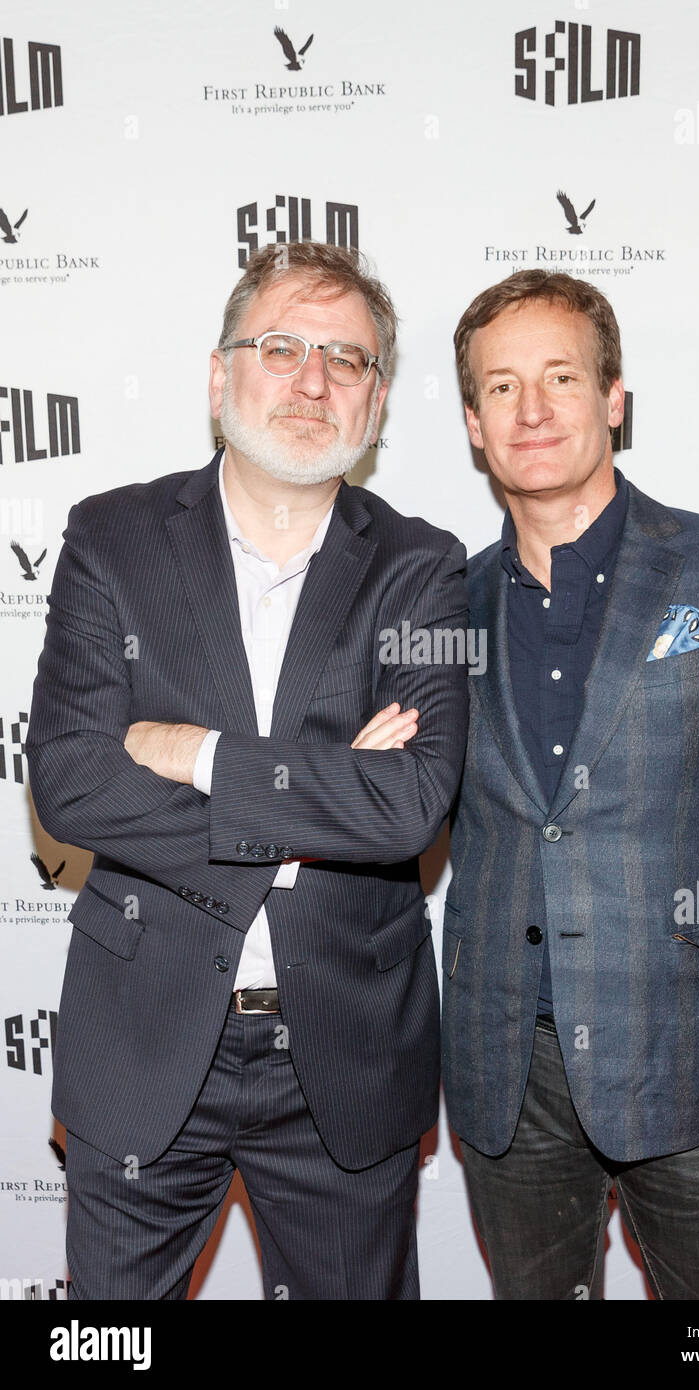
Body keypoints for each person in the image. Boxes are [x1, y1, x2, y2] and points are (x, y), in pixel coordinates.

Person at [26, 240, 469, 1300]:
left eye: (347, 360)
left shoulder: (422, 566)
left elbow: (408, 805)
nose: (312, 381)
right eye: (280, 348)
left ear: (374, 402)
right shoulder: (112, 537)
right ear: (219, 373)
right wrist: (321, 794)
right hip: (142, 1043)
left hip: (348, 1062)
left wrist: (195, 754)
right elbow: (74, 785)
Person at [440, 269, 699, 1300]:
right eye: (499, 387)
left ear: (612, 399)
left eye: (559, 377)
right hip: (505, 1068)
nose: (530, 410)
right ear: (474, 426)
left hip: (697, 1058)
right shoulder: (446, 603)